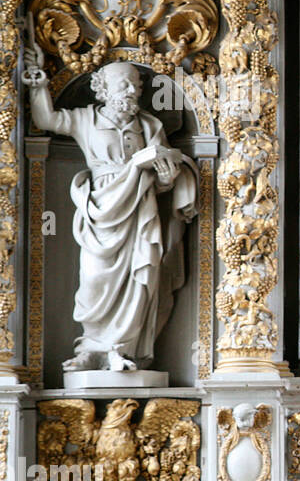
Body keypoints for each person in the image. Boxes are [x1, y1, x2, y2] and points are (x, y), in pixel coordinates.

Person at [22, 56, 198, 373]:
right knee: (93, 279)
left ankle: (123, 349)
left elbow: (162, 179)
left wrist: (168, 174)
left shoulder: (149, 126)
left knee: (140, 279)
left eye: (136, 85)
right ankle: (90, 348)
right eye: (124, 84)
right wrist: (38, 84)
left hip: (140, 211)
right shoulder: (85, 119)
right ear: (104, 89)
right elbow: (46, 120)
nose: (132, 91)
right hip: (101, 210)